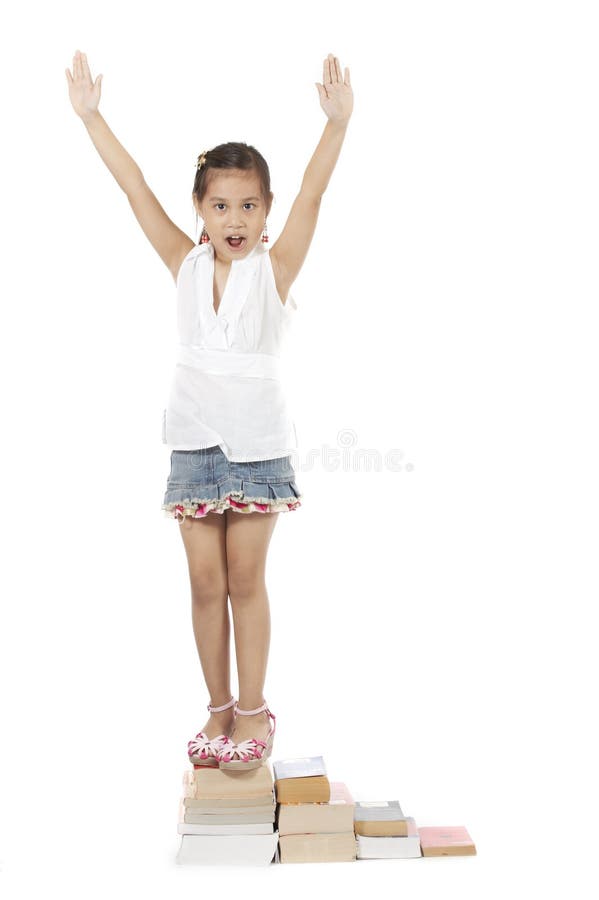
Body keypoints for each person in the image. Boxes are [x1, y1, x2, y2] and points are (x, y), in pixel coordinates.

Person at [65, 49, 353, 770]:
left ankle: (254, 711)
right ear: (199, 207)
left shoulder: (273, 269)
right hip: (193, 443)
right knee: (202, 581)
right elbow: (132, 189)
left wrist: (336, 126)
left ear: (266, 211)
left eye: (249, 205)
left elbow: (314, 195)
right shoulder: (184, 264)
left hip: (255, 447)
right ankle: (218, 708)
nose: (234, 219)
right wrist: (92, 116)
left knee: (245, 579)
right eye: (220, 204)